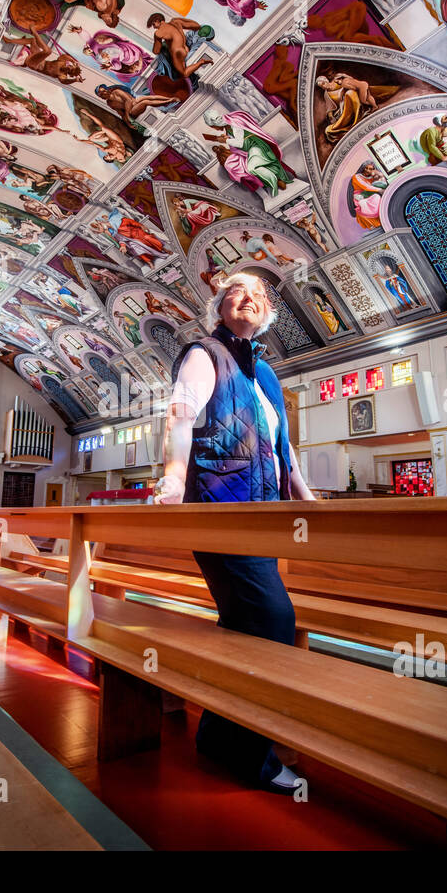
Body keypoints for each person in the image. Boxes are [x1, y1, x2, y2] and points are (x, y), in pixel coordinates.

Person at [155, 271, 317, 792]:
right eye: (235, 292)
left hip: (263, 517)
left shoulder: (266, 375)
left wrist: (307, 499)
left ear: (268, 312)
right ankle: (255, 758)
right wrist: (174, 476)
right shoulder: (204, 354)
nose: (248, 299)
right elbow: (180, 416)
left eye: (260, 295)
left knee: (244, 625)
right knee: (273, 620)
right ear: (219, 307)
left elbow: (282, 446)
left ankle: (219, 739)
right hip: (222, 510)